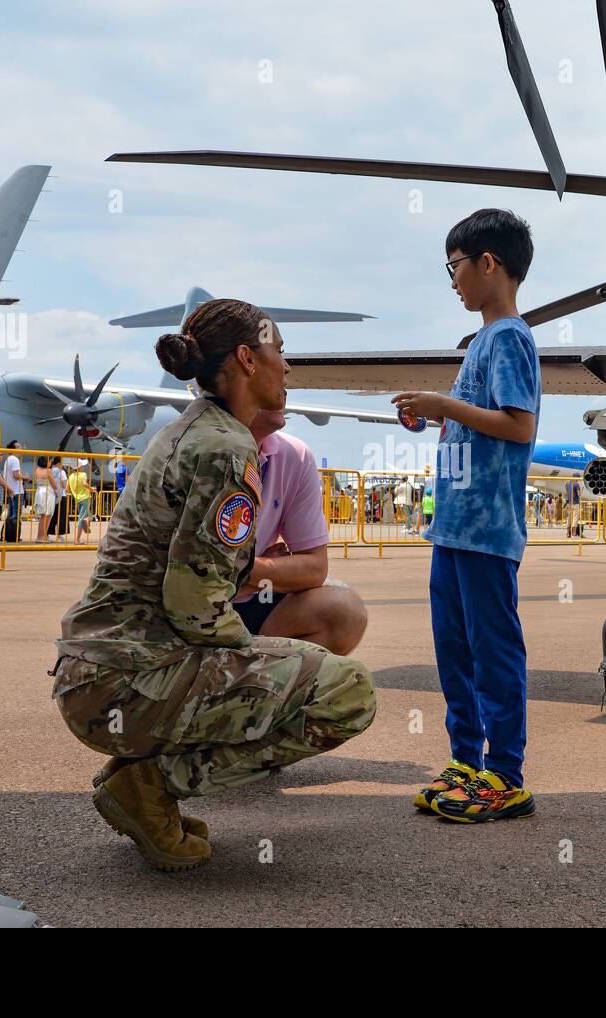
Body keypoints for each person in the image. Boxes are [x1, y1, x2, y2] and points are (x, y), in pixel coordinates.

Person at [52, 299, 375, 871]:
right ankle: (150, 786)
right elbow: (195, 605)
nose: (288, 368)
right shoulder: (225, 450)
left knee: (284, 671)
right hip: (125, 681)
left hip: (106, 673)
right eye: (281, 354)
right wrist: (260, 669)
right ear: (249, 360)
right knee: (346, 692)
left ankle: (142, 778)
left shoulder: (199, 432)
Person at [392, 207, 540, 823]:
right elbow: (482, 421)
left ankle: (504, 774)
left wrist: (442, 401)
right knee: (454, 647)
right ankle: (465, 761)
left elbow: (518, 423)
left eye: (454, 266)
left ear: (488, 263)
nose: (452, 279)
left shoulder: (507, 337)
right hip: (454, 527)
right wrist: (439, 415)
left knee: (491, 648)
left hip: (485, 530)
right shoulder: (484, 339)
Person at [231, 409, 368, 655]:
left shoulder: (293, 454)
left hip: (249, 600)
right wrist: (266, 571)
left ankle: (249, 676)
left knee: (344, 611)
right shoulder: (192, 450)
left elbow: (314, 568)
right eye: (272, 368)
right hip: (186, 609)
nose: (286, 370)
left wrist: (247, 572)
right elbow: (188, 575)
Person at [2, 440, 24, 543]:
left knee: (11, 513)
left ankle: (8, 535)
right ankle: (14, 536)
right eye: (19, 446)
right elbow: (16, 475)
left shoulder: (8, 460)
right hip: (17, 491)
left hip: (11, 490)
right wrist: (25, 477)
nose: (21, 448)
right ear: (14, 449)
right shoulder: (15, 459)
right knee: (16, 514)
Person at [68, 458, 93, 544]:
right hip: (85, 497)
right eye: (82, 466)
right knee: (82, 517)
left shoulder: (70, 477)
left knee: (89, 515)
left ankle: (85, 523)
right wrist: (91, 489)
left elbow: (67, 489)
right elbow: (85, 484)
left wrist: (75, 491)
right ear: (79, 467)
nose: (83, 467)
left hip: (77, 499)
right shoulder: (83, 474)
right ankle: (77, 539)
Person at [33, 455, 55, 543]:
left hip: (39, 491)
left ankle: (41, 536)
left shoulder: (37, 470)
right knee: (47, 515)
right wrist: (56, 489)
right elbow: (54, 483)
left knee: (43, 516)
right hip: (47, 492)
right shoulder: (48, 471)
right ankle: (42, 536)